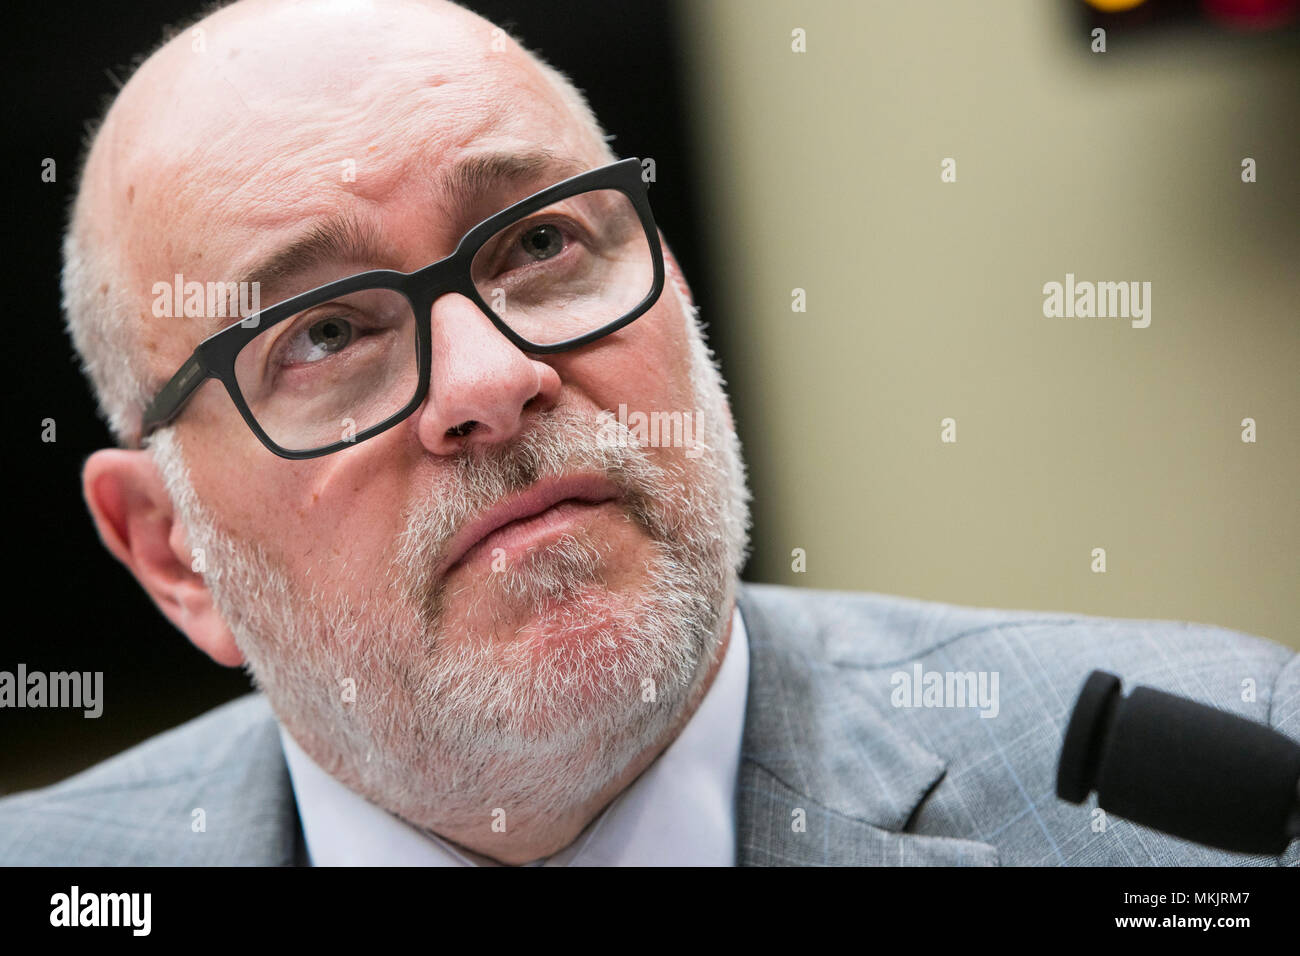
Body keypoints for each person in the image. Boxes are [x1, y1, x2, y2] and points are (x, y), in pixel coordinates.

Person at [1, 0, 1295, 867]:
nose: (492, 380)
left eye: (543, 243)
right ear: (172, 551)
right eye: (326, 335)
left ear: (678, 291)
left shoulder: (1214, 800)